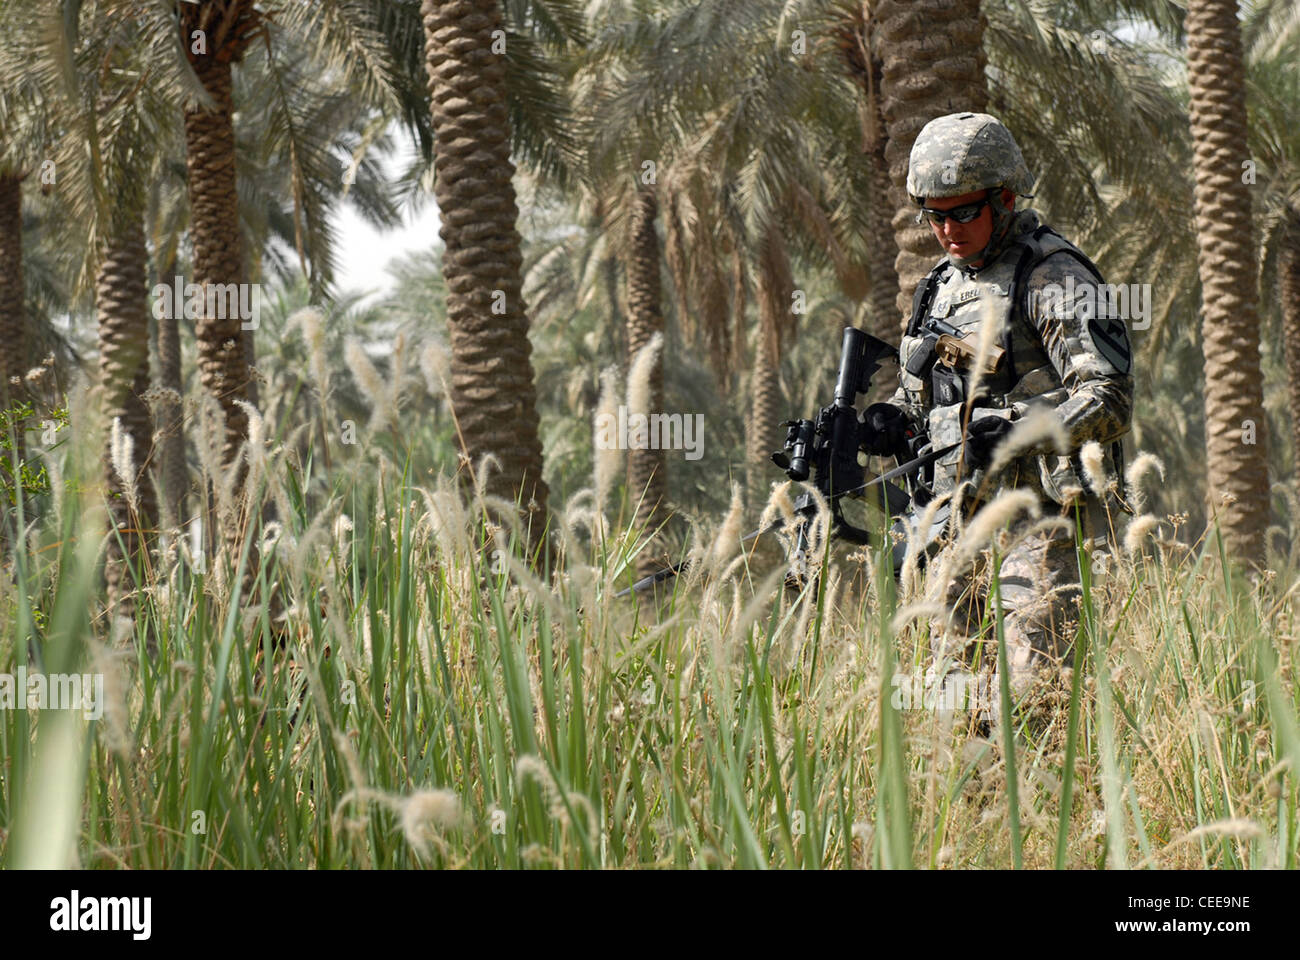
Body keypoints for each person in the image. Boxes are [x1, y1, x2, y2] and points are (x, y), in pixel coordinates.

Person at [861, 112, 1135, 725]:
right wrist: (889, 421)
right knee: (952, 712)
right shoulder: (937, 287)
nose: (948, 230)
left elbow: (1109, 396)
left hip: (1044, 525)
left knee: (1031, 703)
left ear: (1005, 199)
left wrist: (1018, 428)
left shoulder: (1053, 275)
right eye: (934, 215)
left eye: (964, 212)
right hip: (956, 527)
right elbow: (922, 402)